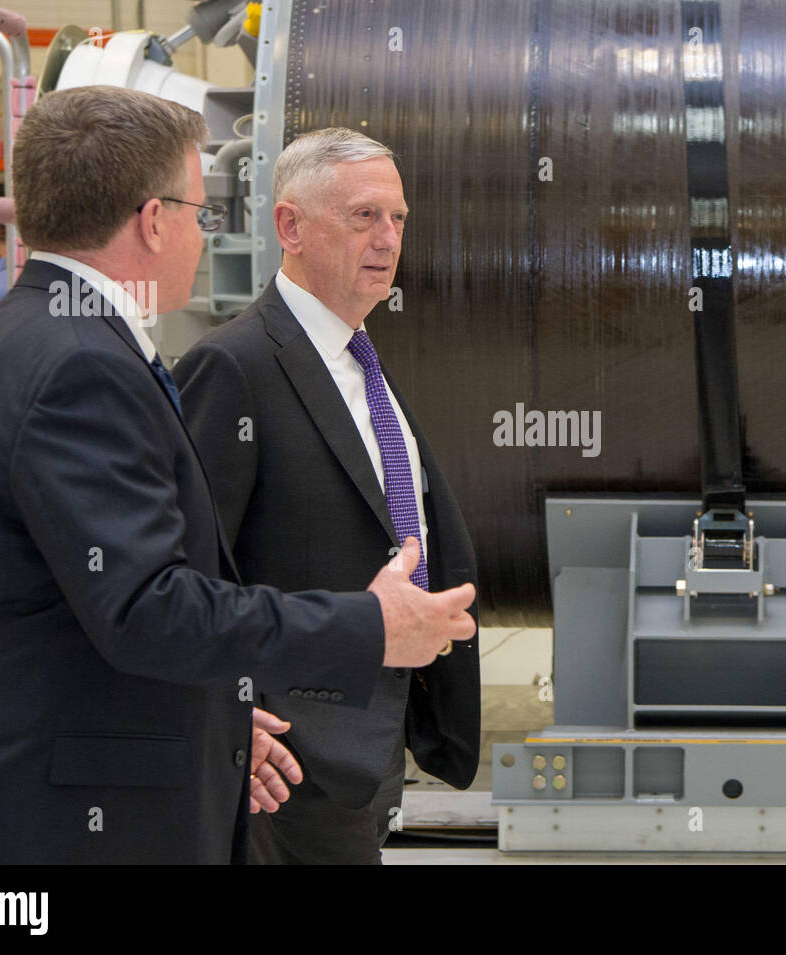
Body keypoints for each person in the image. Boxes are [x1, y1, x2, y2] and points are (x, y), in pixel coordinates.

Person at [0, 86, 476, 864]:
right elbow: (147, 606)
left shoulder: (26, 337)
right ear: (151, 219)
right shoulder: (80, 367)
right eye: (200, 214)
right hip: (53, 818)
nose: (205, 237)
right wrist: (366, 626)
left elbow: (103, 602)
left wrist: (219, 717)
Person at [174, 128, 480, 864]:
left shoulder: (359, 360)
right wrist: (225, 716)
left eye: (398, 218)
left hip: (364, 746)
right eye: (364, 216)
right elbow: (185, 569)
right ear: (290, 227)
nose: (388, 237)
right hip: (280, 763)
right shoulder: (234, 367)